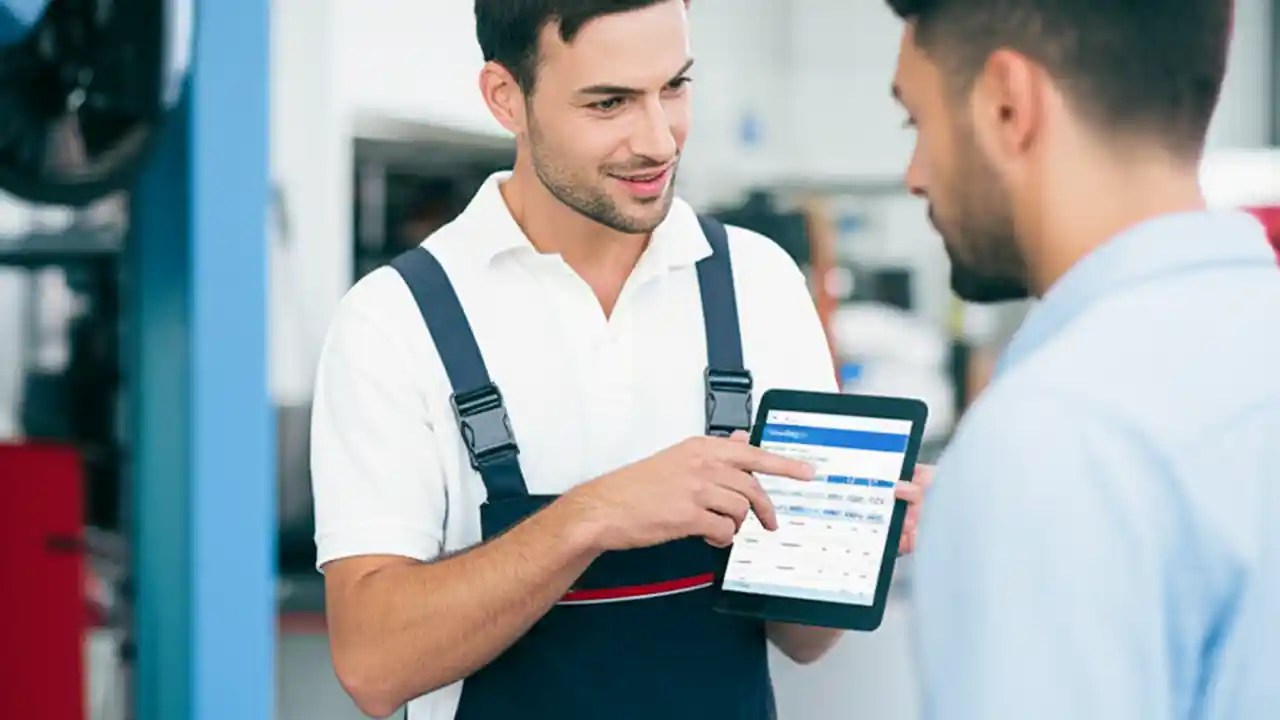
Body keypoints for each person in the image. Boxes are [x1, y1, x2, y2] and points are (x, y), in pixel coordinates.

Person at [309, 1, 930, 718]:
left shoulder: (759, 285)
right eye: (610, 103)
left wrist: (856, 547)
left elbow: (804, 639)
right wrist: (595, 516)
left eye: (674, 87)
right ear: (505, 97)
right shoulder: (394, 321)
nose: (659, 139)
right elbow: (373, 665)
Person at [885, 0, 1280, 718]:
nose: (915, 174)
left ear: (1008, 105)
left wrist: (1021, 503)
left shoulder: (1053, 437)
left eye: (918, 123)